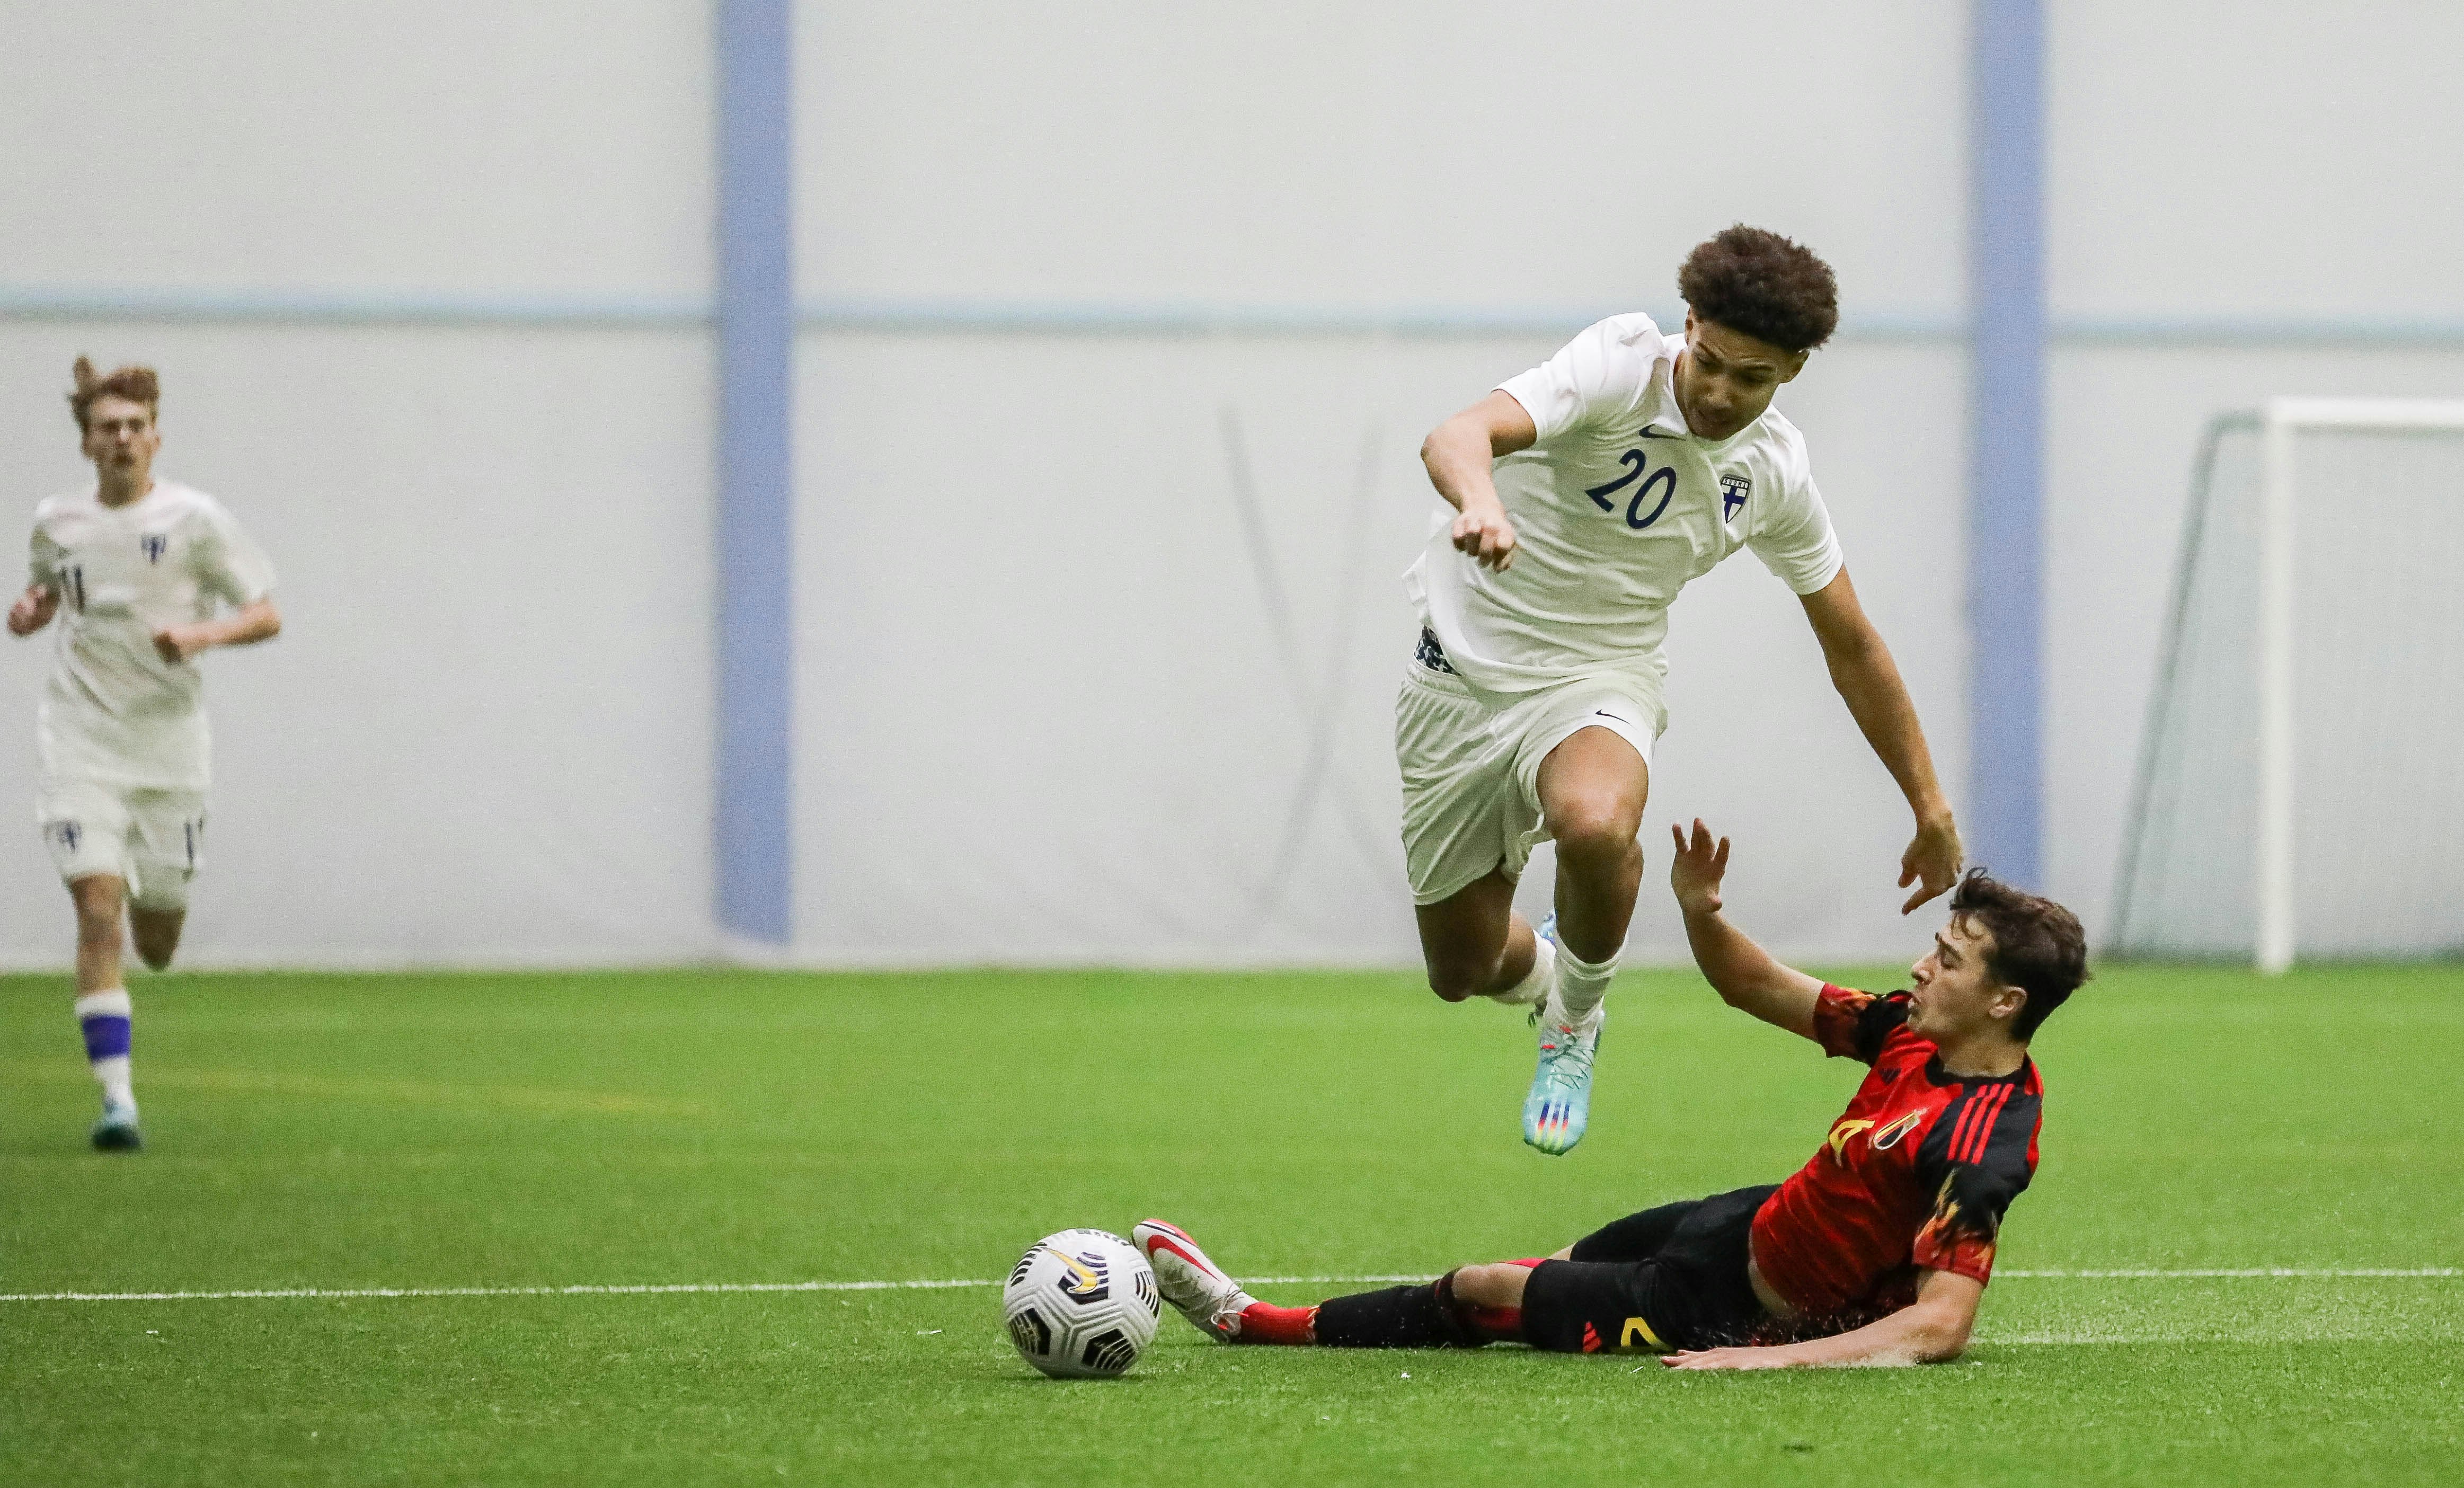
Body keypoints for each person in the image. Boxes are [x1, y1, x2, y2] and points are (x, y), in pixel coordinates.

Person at [1136, 820, 2087, 1368]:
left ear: (2004, 1002)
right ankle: (1494, 1294)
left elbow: (1941, 1323)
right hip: (1743, 1223)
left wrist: (1760, 1359)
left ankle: (1250, 1322)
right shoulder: (1908, 1039)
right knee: (1556, 1261)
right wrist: (1702, 913)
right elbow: (1756, 987)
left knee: (1483, 1291)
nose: (1920, 965)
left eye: (1947, 960)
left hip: (1729, 1309)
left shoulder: (1984, 1141)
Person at [1403, 225, 1960, 1153]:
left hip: (1598, 677)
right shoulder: (1618, 366)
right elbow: (1456, 435)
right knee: (1461, 969)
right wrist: (1482, 500)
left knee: (1594, 822)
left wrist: (1928, 802)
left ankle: (1574, 1024)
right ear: (1687, 326)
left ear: (1790, 374)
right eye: (1708, 362)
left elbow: (1851, 643)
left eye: (1752, 378)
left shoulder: (1773, 471)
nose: (1719, 392)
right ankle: (1549, 975)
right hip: (1458, 684)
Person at [7, 359, 281, 1150]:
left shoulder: (196, 520)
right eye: (108, 427)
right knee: (99, 911)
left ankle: (159, 928)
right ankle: (118, 1102)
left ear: (155, 436)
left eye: (135, 426)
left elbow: (265, 613)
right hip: (80, 741)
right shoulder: (57, 521)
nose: (123, 438)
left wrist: (201, 633)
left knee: (156, 939)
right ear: (88, 442)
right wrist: (32, 610)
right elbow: (51, 590)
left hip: (168, 750)